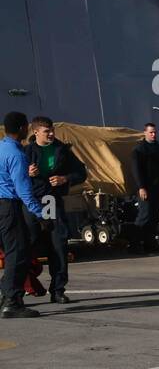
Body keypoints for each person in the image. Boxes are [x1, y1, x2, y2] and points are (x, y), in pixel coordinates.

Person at [25, 116, 86, 303]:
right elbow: (11, 176)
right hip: (32, 202)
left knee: (58, 245)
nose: (51, 134)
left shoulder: (62, 150)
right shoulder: (26, 152)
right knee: (27, 244)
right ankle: (22, 285)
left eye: (52, 130)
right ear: (35, 132)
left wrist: (65, 179)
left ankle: (58, 289)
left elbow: (81, 173)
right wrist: (27, 173)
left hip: (52, 202)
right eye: (46, 131)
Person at [0, 111, 46, 319]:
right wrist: (39, 212)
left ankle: (6, 296)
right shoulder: (17, 155)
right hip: (10, 206)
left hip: (2, 206)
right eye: (26, 125)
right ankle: (12, 301)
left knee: (11, 251)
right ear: (21, 128)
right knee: (17, 254)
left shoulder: (2, 148)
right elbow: (23, 188)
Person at [131, 121, 159, 252]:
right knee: (144, 216)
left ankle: (150, 244)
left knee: (154, 216)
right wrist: (141, 187)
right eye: (151, 132)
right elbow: (136, 170)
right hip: (145, 188)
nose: (153, 134)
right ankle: (134, 245)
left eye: (155, 132)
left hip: (157, 187)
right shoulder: (139, 149)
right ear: (145, 132)